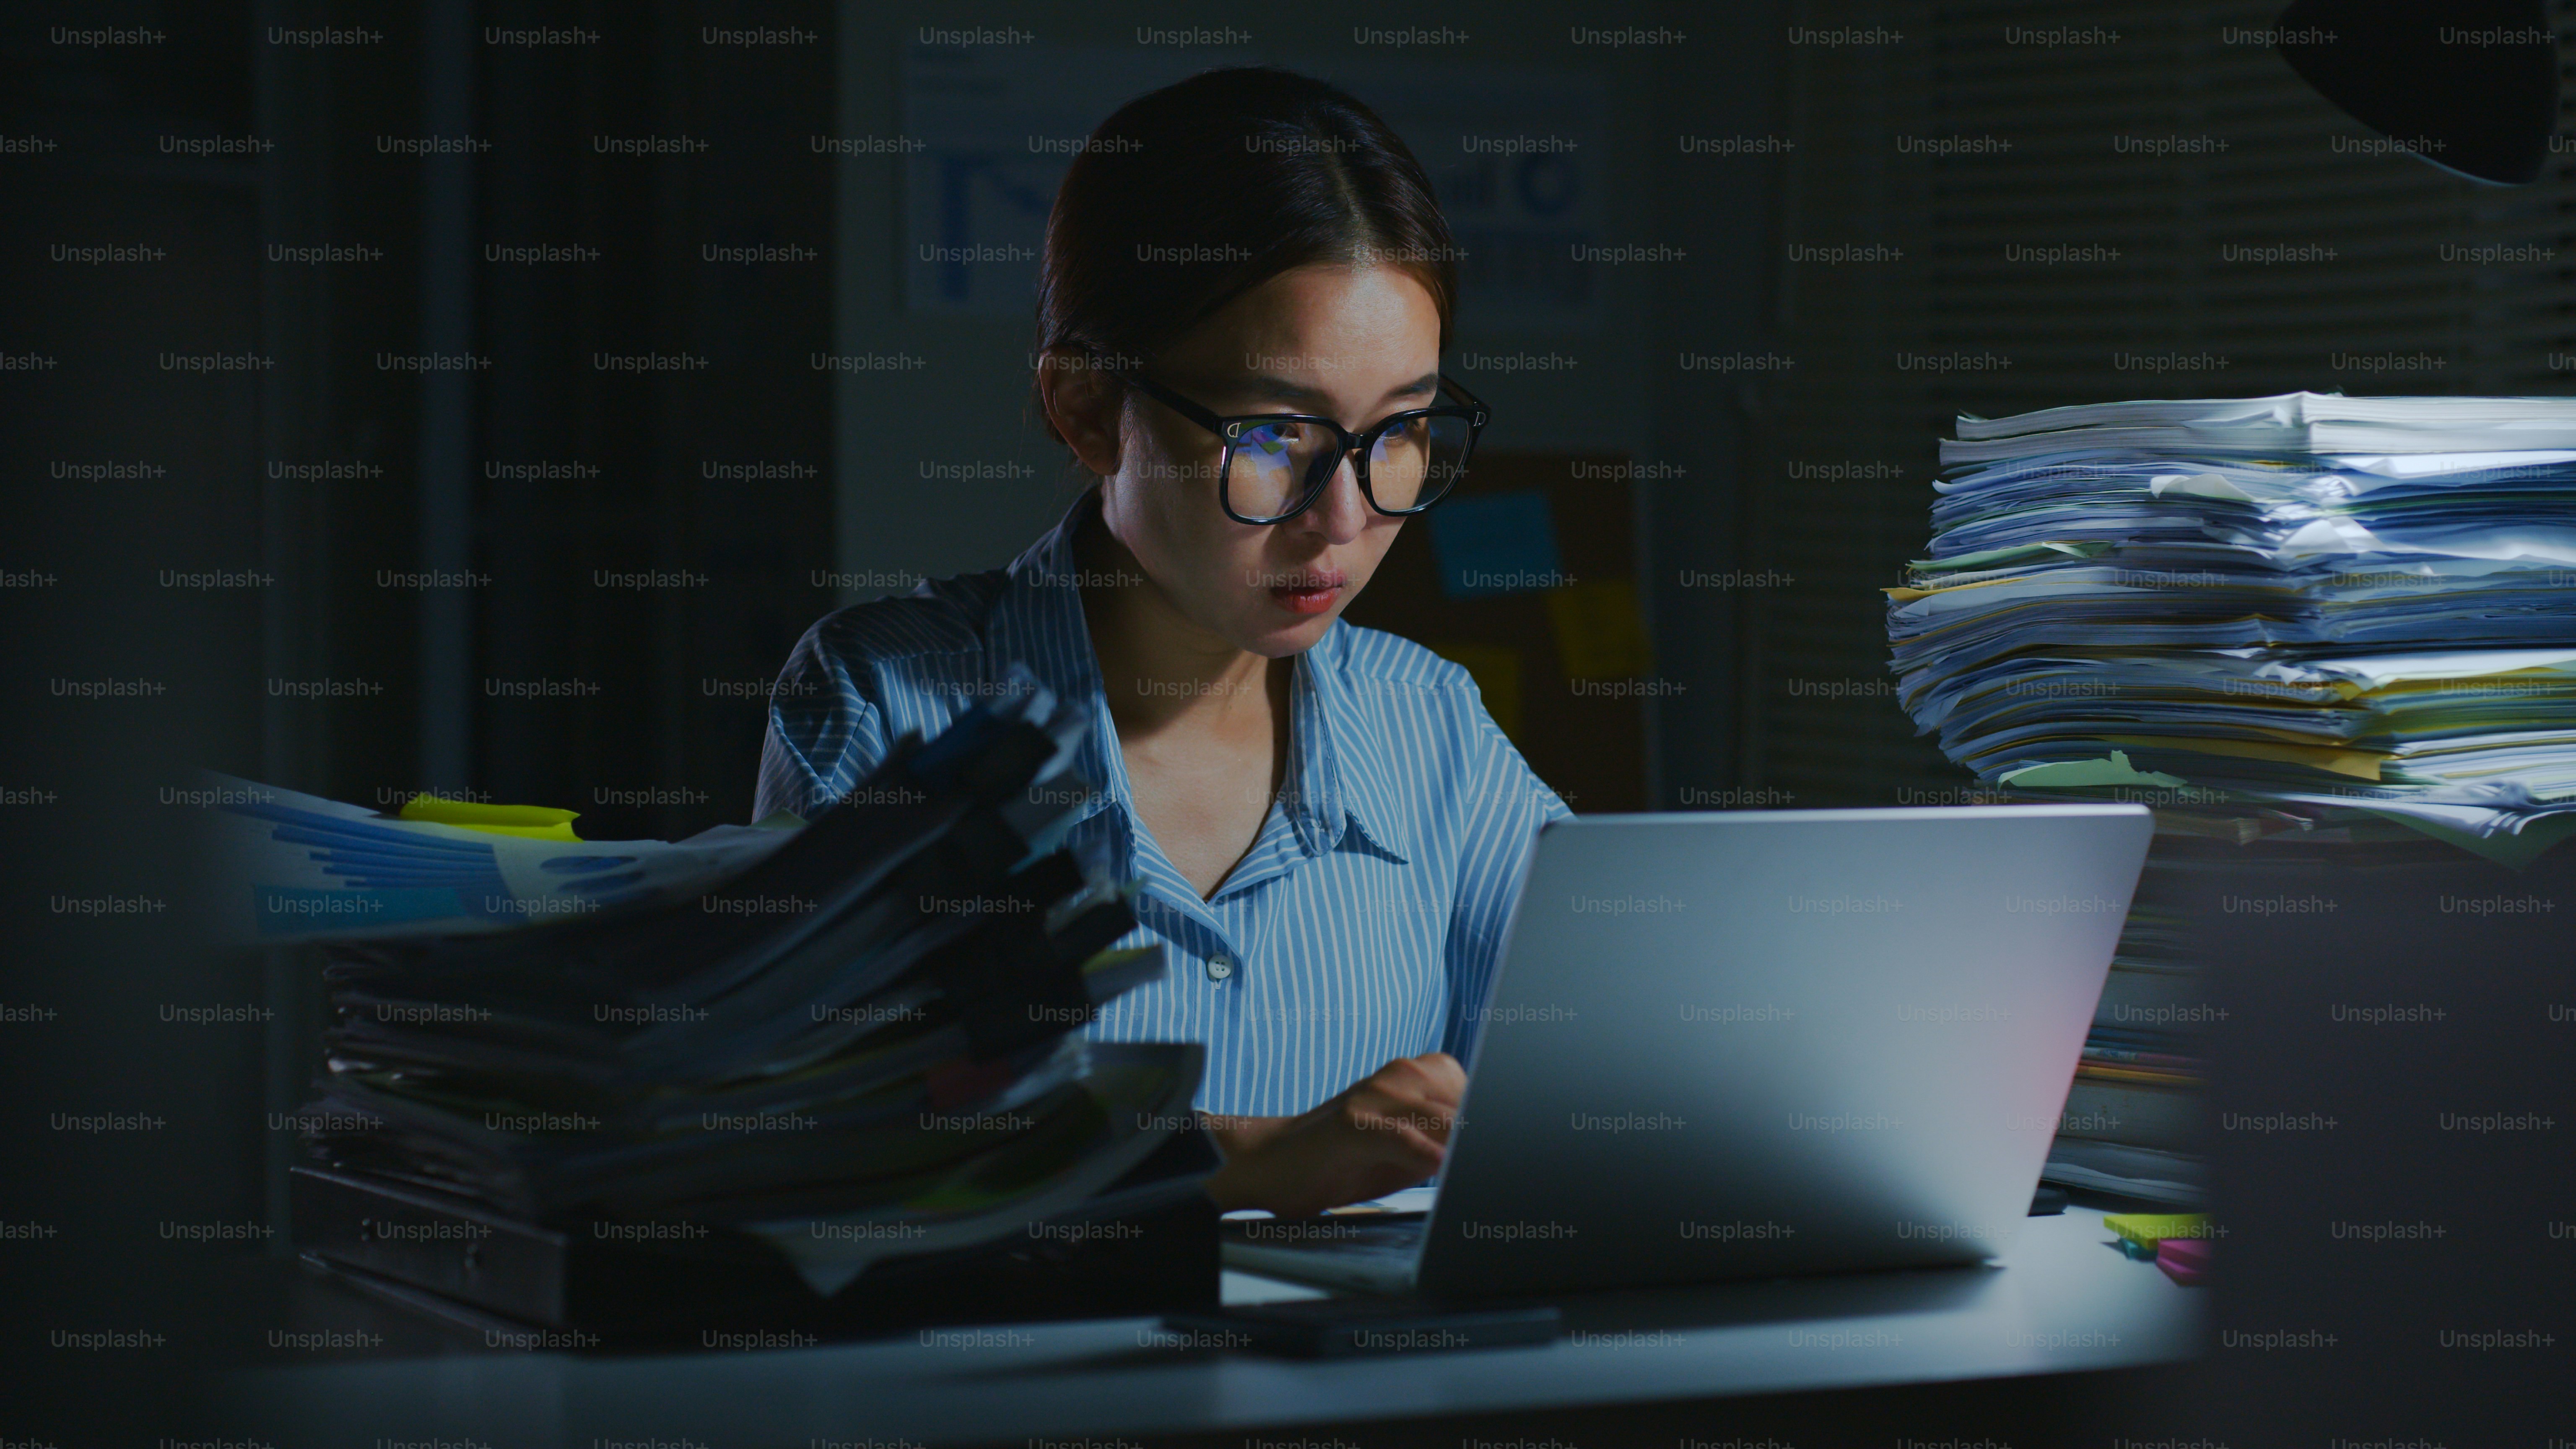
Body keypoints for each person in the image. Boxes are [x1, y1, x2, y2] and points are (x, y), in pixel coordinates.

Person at [756, 65, 1571, 1217]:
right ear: (1088, 409)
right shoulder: (886, 705)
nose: (1345, 515)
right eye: (1275, 434)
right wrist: (1238, 1164)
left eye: (1400, 431)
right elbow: (819, 1150)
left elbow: (1617, 1071)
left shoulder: (1432, 727)